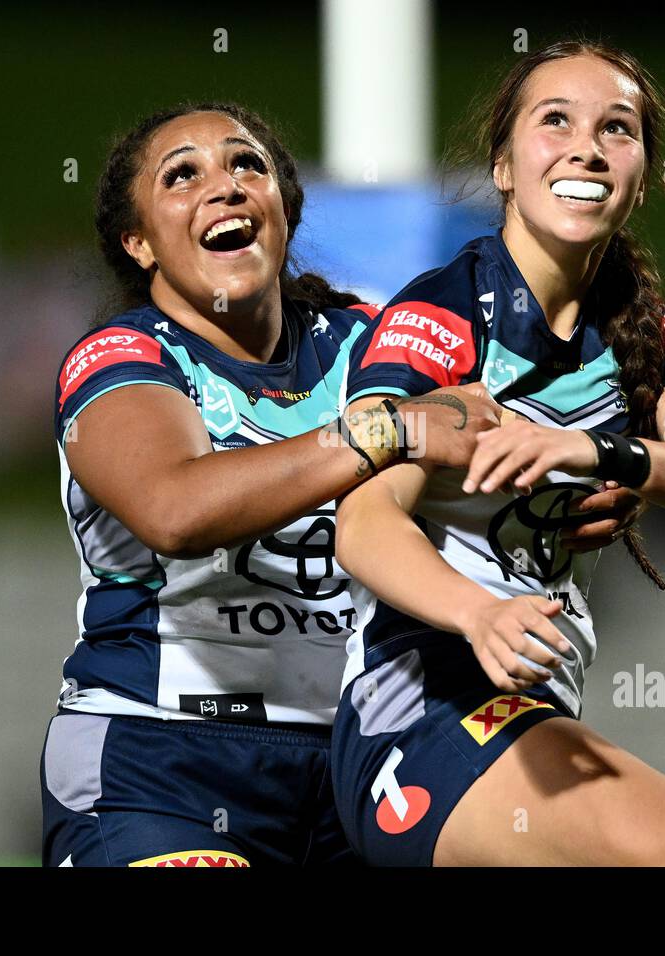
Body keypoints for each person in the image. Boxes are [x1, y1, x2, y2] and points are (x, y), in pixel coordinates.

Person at [42, 101, 537, 867]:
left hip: (360, 758)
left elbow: (491, 452)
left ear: (284, 208)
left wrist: (561, 496)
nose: (226, 186)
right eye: (183, 175)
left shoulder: (373, 344)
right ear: (137, 243)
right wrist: (390, 429)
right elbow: (177, 509)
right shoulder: (118, 359)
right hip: (160, 758)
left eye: (248, 166)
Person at [329, 40, 665, 866]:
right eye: (555, 120)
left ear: (641, 178)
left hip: (532, 705)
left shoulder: (641, 326)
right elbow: (361, 521)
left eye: (617, 128)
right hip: (420, 712)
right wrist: (477, 612)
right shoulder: (442, 316)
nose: (586, 145)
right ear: (502, 165)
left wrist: (599, 453)